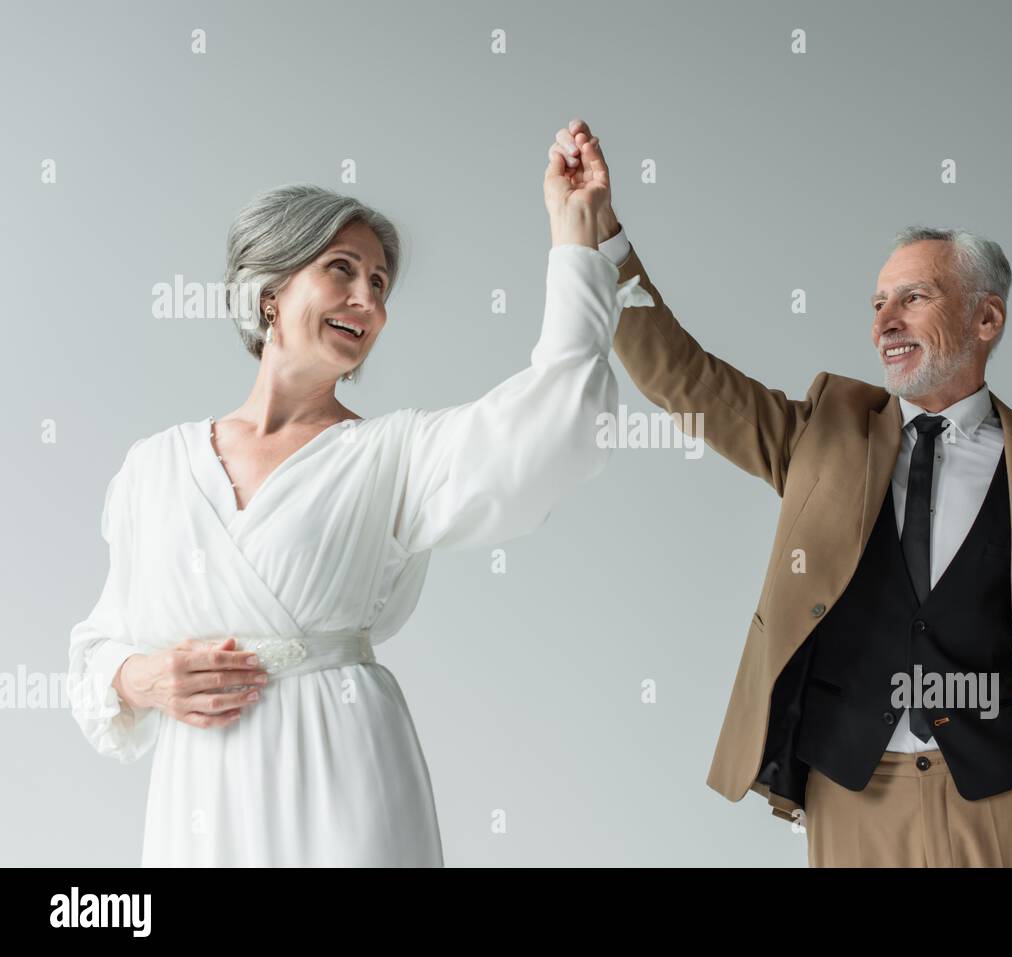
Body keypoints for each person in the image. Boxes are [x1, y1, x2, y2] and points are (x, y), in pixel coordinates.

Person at [554, 117, 1012, 867]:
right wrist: (604, 237)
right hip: (856, 793)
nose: (885, 320)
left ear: (986, 318)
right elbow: (684, 377)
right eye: (877, 302)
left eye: (913, 297)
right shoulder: (826, 434)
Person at [67, 130, 652, 866]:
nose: (366, 299)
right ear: (269, 292)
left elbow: (559, 418)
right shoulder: (154, 468)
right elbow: (96, 646)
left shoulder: (393, 456)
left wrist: (574, 240)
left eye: (379, 284)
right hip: (201, 802)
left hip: (345, 780)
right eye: (341, 269)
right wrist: (142, 678)